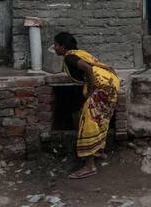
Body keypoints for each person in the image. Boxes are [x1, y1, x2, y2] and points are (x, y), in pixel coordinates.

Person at [52, 31, 121, 179]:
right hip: (110, 82)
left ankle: (89, 166)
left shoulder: (70, 57)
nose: (54, 48)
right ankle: (98, 152)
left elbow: (88, 69)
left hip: (101, 86)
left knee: (88, 121)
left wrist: (90, 91)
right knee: (101, 118)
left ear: (63, 47)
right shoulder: (78, 53)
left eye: (56, 45)